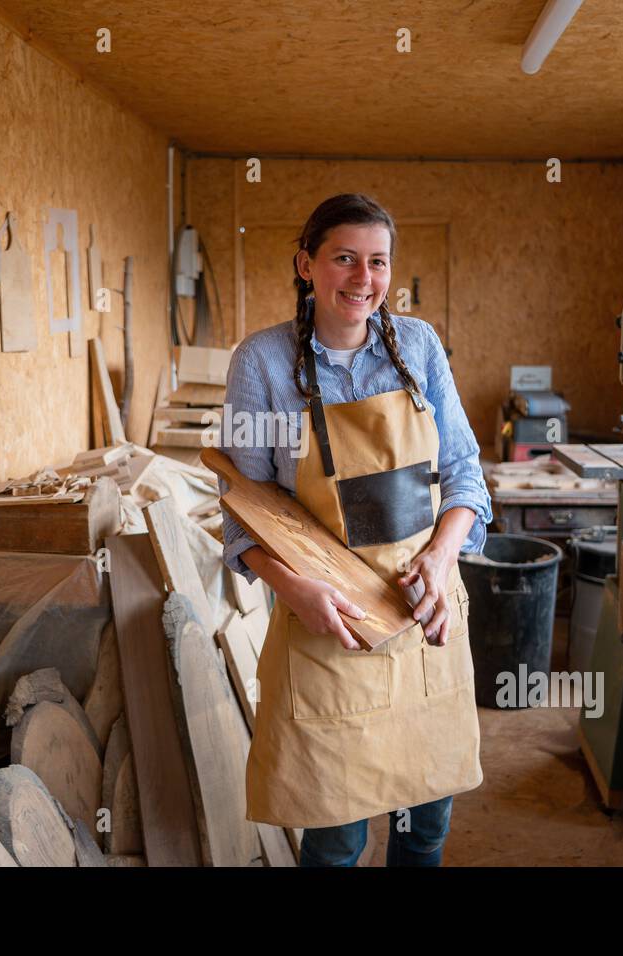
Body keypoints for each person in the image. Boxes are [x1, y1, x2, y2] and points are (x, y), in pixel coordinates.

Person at [218, 193, 492, 867]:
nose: (363, 278)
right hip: (330, 628)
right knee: (337, 837)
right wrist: (296, 593)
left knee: (424, 826)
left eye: (377, 262)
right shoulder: (262, 363)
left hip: (423, 613)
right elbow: (242, 514)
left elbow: (465, 477)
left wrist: (440, 556)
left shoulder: (420, 347)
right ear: (307, 265)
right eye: (344, 259)